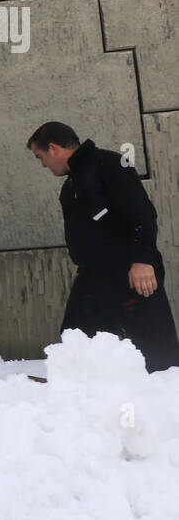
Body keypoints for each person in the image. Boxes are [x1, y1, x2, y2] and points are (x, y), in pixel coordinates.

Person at [29, 121, 179, 372]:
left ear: (53, 148)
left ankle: (167, 396)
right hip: (93, 278)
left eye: (40, 156)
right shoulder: (71, 185)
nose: (42, 164)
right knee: (75, 337)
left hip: (131, 274)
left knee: (156, 349)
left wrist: (143, 260)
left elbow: (142, 214)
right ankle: (78, 388)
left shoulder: (107, 165)